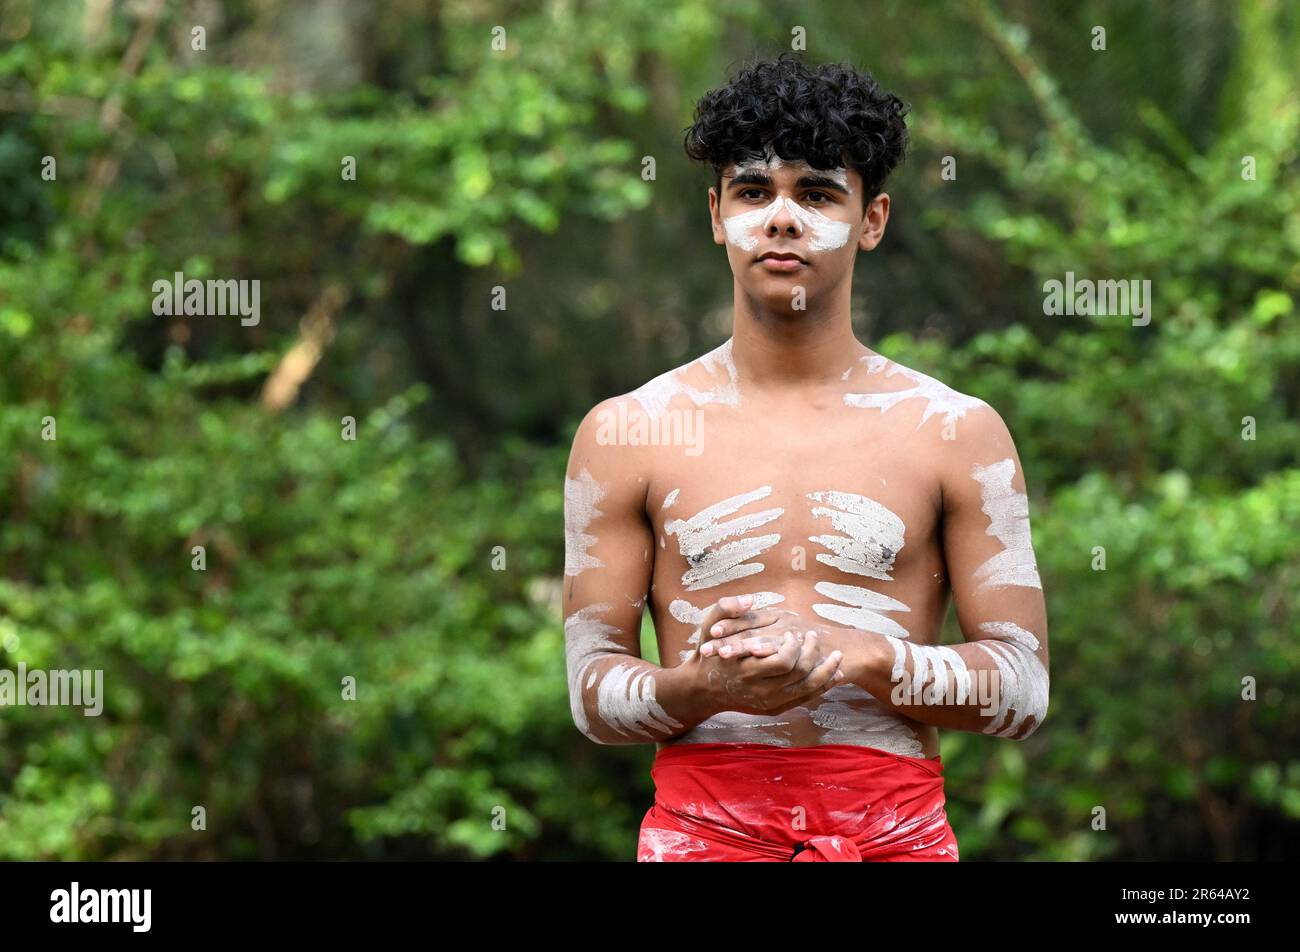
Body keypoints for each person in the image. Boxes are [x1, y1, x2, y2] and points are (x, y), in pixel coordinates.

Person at [562, 53, 1049, 862]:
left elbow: (1024, 691)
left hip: (897, 839)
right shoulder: (626, 431)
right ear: (716, 212)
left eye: (817, 192)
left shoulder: (957, 431)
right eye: (754, 191)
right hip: (701, 839)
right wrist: (699, 687)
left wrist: (854, 654)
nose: (782, 218)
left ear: (872, 219)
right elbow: (591, 695)